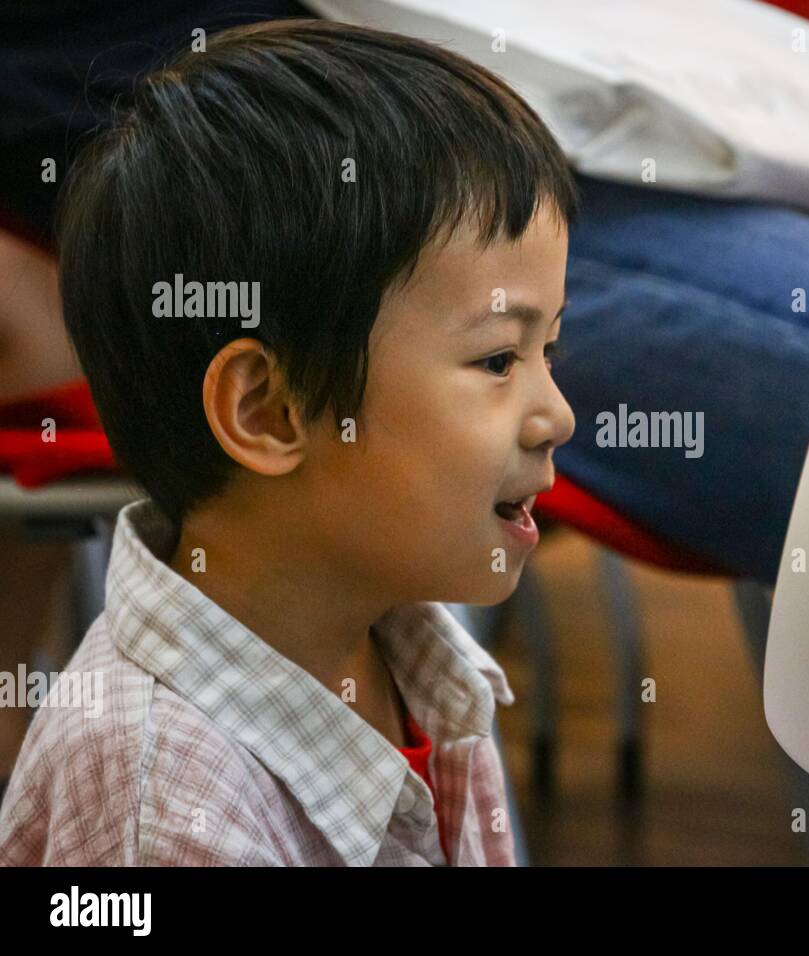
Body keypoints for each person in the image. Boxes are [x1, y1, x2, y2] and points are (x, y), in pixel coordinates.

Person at [0, 19, 578, 865]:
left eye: (547, 350)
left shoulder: (414, 654)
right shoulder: (159, 804)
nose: (556, 415)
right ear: (267, 412)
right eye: (497, 358)